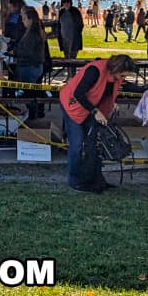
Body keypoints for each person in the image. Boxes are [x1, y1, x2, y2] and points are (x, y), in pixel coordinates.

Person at [59, 54, 137, 193]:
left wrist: (112, 103)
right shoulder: (94, 71)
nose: (124, 78)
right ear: (117, 69)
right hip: (73, 105)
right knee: (77, 145)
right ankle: (74, 181)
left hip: (92, 107)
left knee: (94, 144)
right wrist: (95, 112)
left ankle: (96, 180)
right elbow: (78, 93)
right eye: (123, 75)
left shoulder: (115, 76)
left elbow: (105, 92)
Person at [10, 7, 48, 120]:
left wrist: (15, 51)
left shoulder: (32, 33)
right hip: (31, 66)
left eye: (24, 19)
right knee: (28, 93)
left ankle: (32, 118)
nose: (23, 21)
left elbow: (27, 51)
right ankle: (32, 116)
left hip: (30, 67)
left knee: (27, 94)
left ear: (30, 20)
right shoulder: (33, 31)